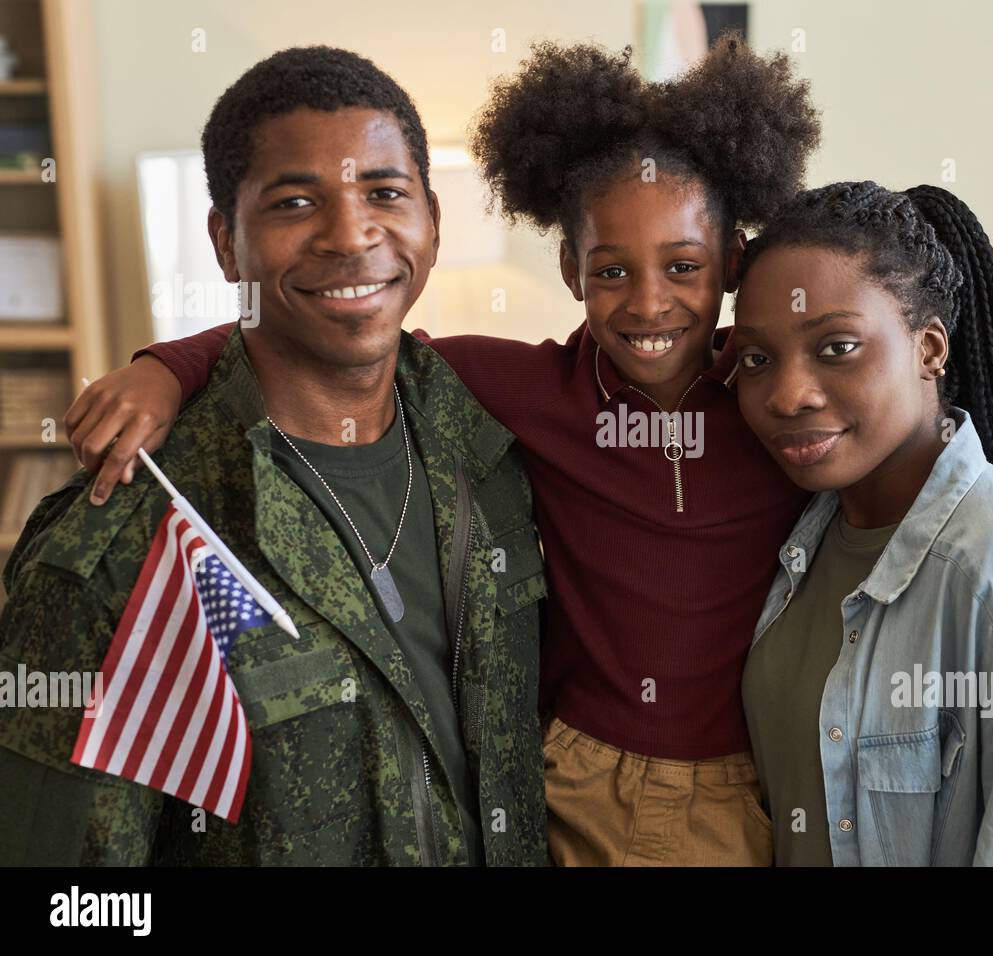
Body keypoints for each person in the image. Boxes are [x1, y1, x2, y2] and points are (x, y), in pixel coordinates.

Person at [62, 34, 820, 866]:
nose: (649, 304)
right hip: (569, 779)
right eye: (610, 272)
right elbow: (335, 330)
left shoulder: (776, 405)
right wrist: (165, 367)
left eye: (683, 266)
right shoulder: (521, 388)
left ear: (733, 263)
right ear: (569, 268)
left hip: (746, 783)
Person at [0, 47, 548, 865]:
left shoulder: (490, 444)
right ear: (228, 243)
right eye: (296, 202)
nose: (351, 233)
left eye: (384, 194)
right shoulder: (129, 541)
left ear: (433, 219)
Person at [732, 181, 993, 866]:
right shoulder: (798, 538)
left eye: (836, 347)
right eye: (757, 359)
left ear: (929, 349)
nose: (786, 394)